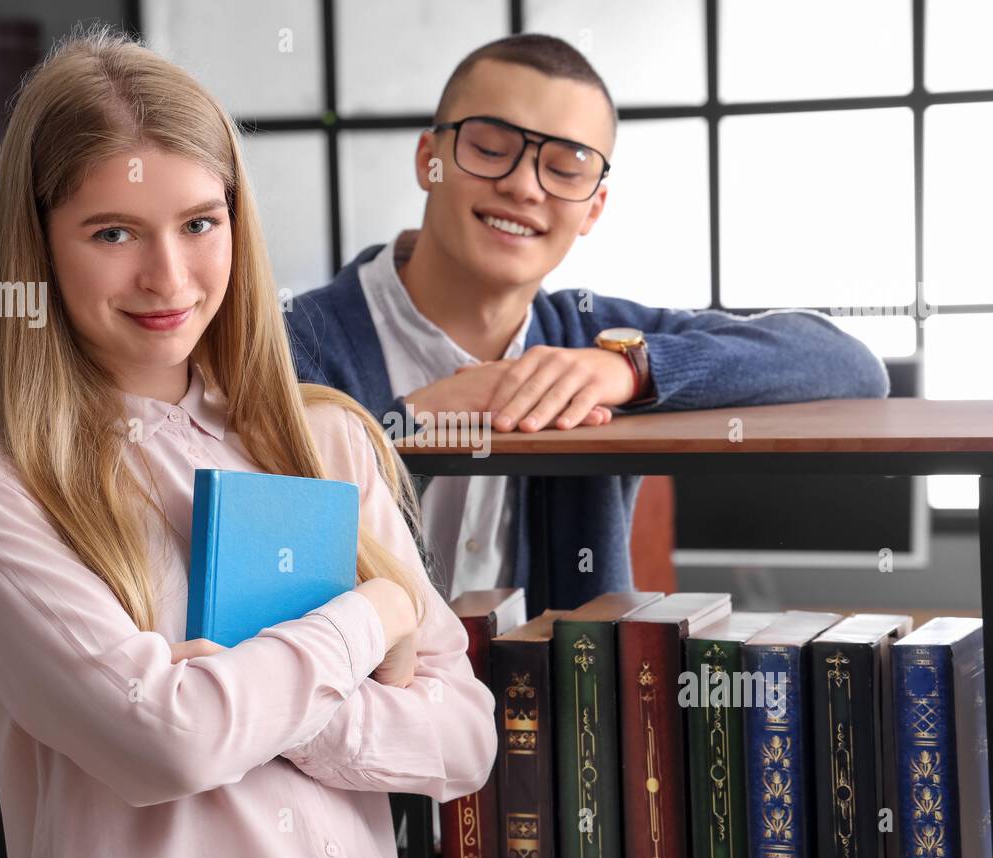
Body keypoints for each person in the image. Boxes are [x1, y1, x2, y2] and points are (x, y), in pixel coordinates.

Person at [0, 26, 496, 858]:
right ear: (37, 249)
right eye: (113, 233)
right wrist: (375, 616)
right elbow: (169, 746)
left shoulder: (323, 435)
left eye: (198, 223)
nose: (169, 278)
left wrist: (243, 703)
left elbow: (465, 742)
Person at [286, 34, 890, 609]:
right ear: (429, 160)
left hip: (572, 706)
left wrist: (628, 369)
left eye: (566, 167)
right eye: (490, 148)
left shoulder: (591, 334)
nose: (523, 186)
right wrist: (404, 424)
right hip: (352, 708)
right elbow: (266, 551)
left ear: (593, 208)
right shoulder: (287, 341)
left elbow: (847, 363)